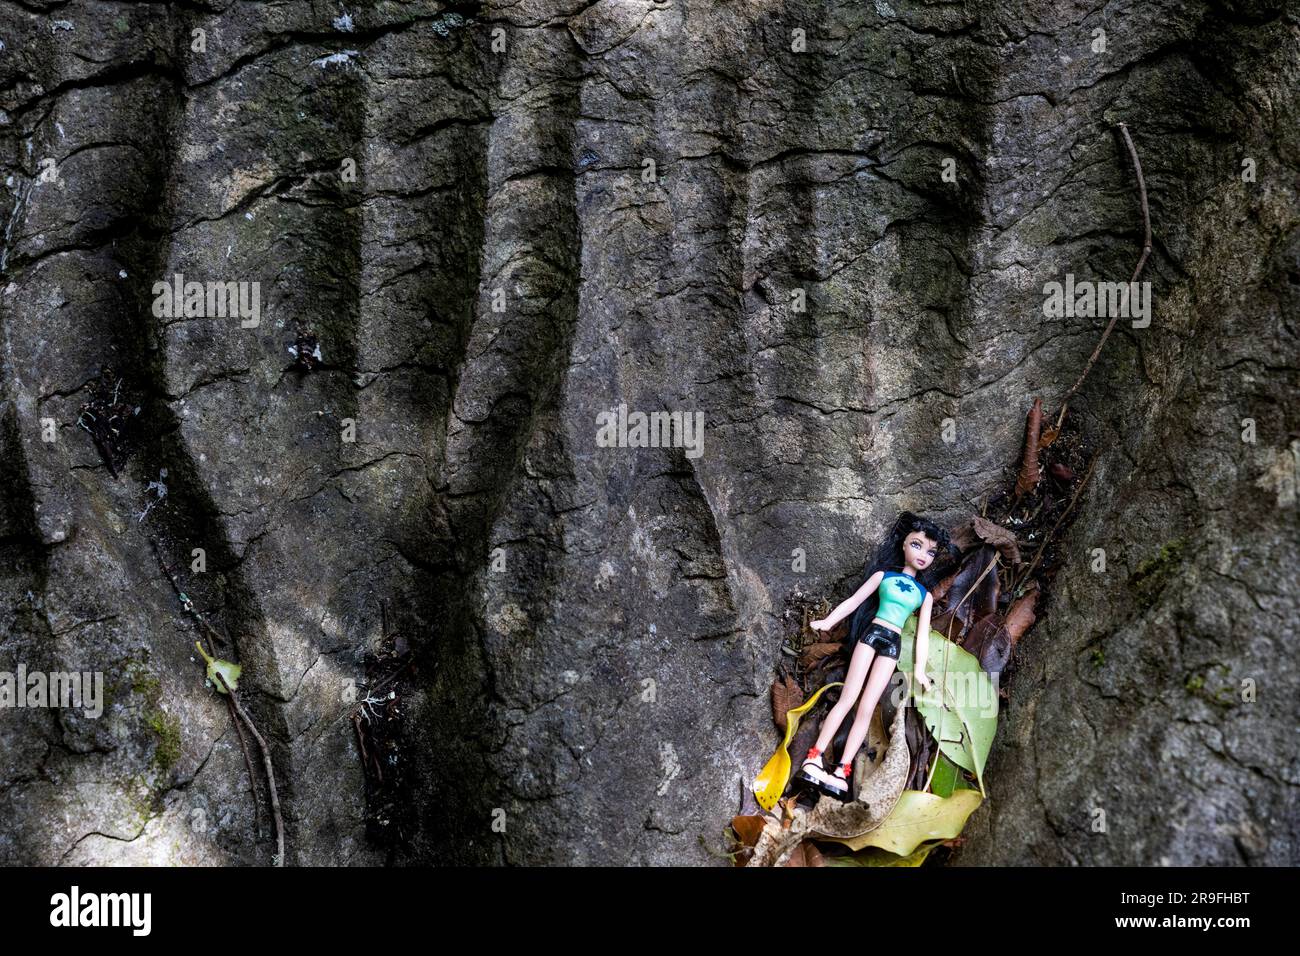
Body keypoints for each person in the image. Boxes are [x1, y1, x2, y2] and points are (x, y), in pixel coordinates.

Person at [794, 512, 953, 800]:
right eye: (916, 545)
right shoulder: (884, 577)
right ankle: (814, 756)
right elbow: (854, 602)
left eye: (930, 552)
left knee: (867, 709)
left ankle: (841, 770)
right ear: (903, 545)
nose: (923, 555)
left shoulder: (924, 595)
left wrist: (918, 671)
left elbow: (922, 637)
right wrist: (828, 622)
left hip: (892, 644)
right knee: (848, 699)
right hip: (872, 635)